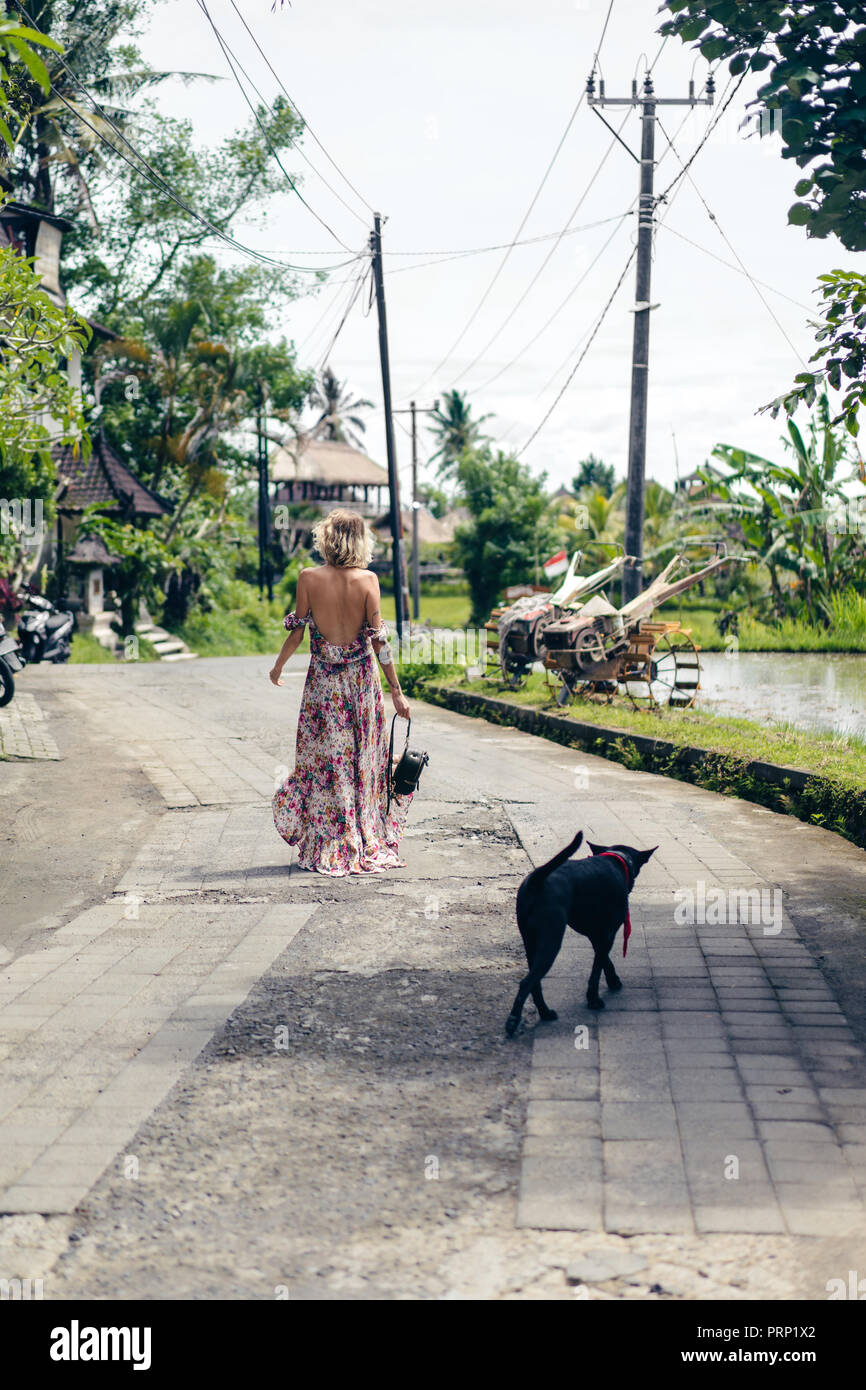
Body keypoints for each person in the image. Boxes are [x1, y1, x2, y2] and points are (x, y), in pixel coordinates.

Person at [269, 509, 412, 876]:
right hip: (362, 684)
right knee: (362, 761)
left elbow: (298, 632)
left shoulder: (308, 578)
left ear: (327, 538)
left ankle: (333, 837)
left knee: (326, 764)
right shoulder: (368, 581)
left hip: (323, 686)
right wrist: (396, 691)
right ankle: (364, 835)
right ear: (361, 540)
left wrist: (279, 666)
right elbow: (380, 644)